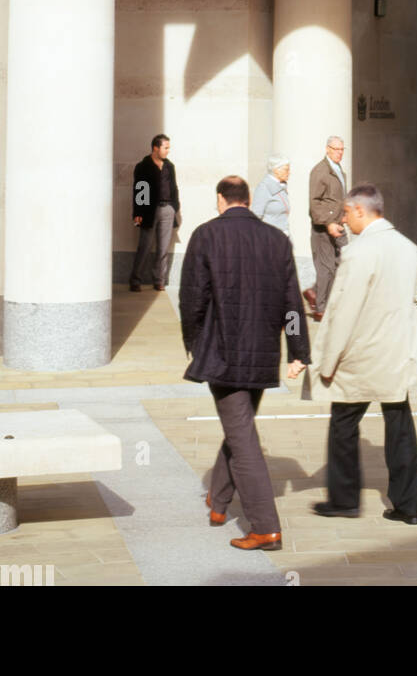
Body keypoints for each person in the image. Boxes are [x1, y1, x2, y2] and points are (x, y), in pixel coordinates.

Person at [180, 175, 310, 550]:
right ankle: (218, 503)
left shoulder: (206, 235)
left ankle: (266, 527)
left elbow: (192, 299)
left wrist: (193, 343)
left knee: (242, 436)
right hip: (262, 355)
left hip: (222, 354)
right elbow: (292, 304)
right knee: (238, 426)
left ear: (221, 200)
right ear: (249, 200)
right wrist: (298, 351)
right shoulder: (277, 240)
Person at [310, 184, 417, 525]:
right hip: (398, 352)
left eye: (346, 213)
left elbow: (343, 311)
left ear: (359, 211)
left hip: (362, 355)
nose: (344, 220)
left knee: (343, 423)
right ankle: (409, 506)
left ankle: (343, 499)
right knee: (399, 424)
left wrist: (328, 361)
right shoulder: (410, 249)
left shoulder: (359, 252)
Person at [130, 133, 181, 291]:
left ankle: (159, 280)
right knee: (144, 246)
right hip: (148, 211)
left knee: (163, 248)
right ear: (155, 148)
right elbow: (140, 192)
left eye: (168, 148)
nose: (168, 151)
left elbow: (174, 187)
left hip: (168, 210)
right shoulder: (143, 166)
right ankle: (135, 280)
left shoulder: (169, 166)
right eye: (165, 148)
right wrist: (138, 214)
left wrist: (175, 207)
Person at [308, 135, 348, 319]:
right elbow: (314, 203)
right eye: (336, 149)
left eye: (341, 149)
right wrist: (328, 222)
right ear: (327, 149)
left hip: (338, 225)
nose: (339, 153)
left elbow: (337, 199)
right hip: (324, 227)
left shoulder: (338, 170)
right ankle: (320, 309)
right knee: (327, 268)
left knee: (343, 263)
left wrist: (345, 215)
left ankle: (314, 291)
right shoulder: (320, 171)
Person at [251, 154, 292, 235]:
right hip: (270, 237)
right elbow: (256, 216)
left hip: (283, 235)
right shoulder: (264, 188)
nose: (289, 173)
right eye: (286, 170)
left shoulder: (281, 186)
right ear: (276, 170)